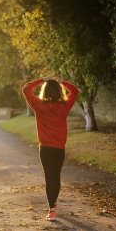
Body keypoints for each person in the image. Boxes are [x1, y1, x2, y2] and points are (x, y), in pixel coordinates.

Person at [22, 76, 79, 221]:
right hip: (59, 148)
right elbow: (75, 91)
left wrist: (41, 80)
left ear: (45, 91)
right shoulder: (65, 106)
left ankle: (52, 209)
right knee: (56, 176)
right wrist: (63, 82)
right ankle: (53, 204)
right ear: (60, 92)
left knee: (49, 177)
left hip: (45, 148)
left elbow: (26, 89)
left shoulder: (39, 106)